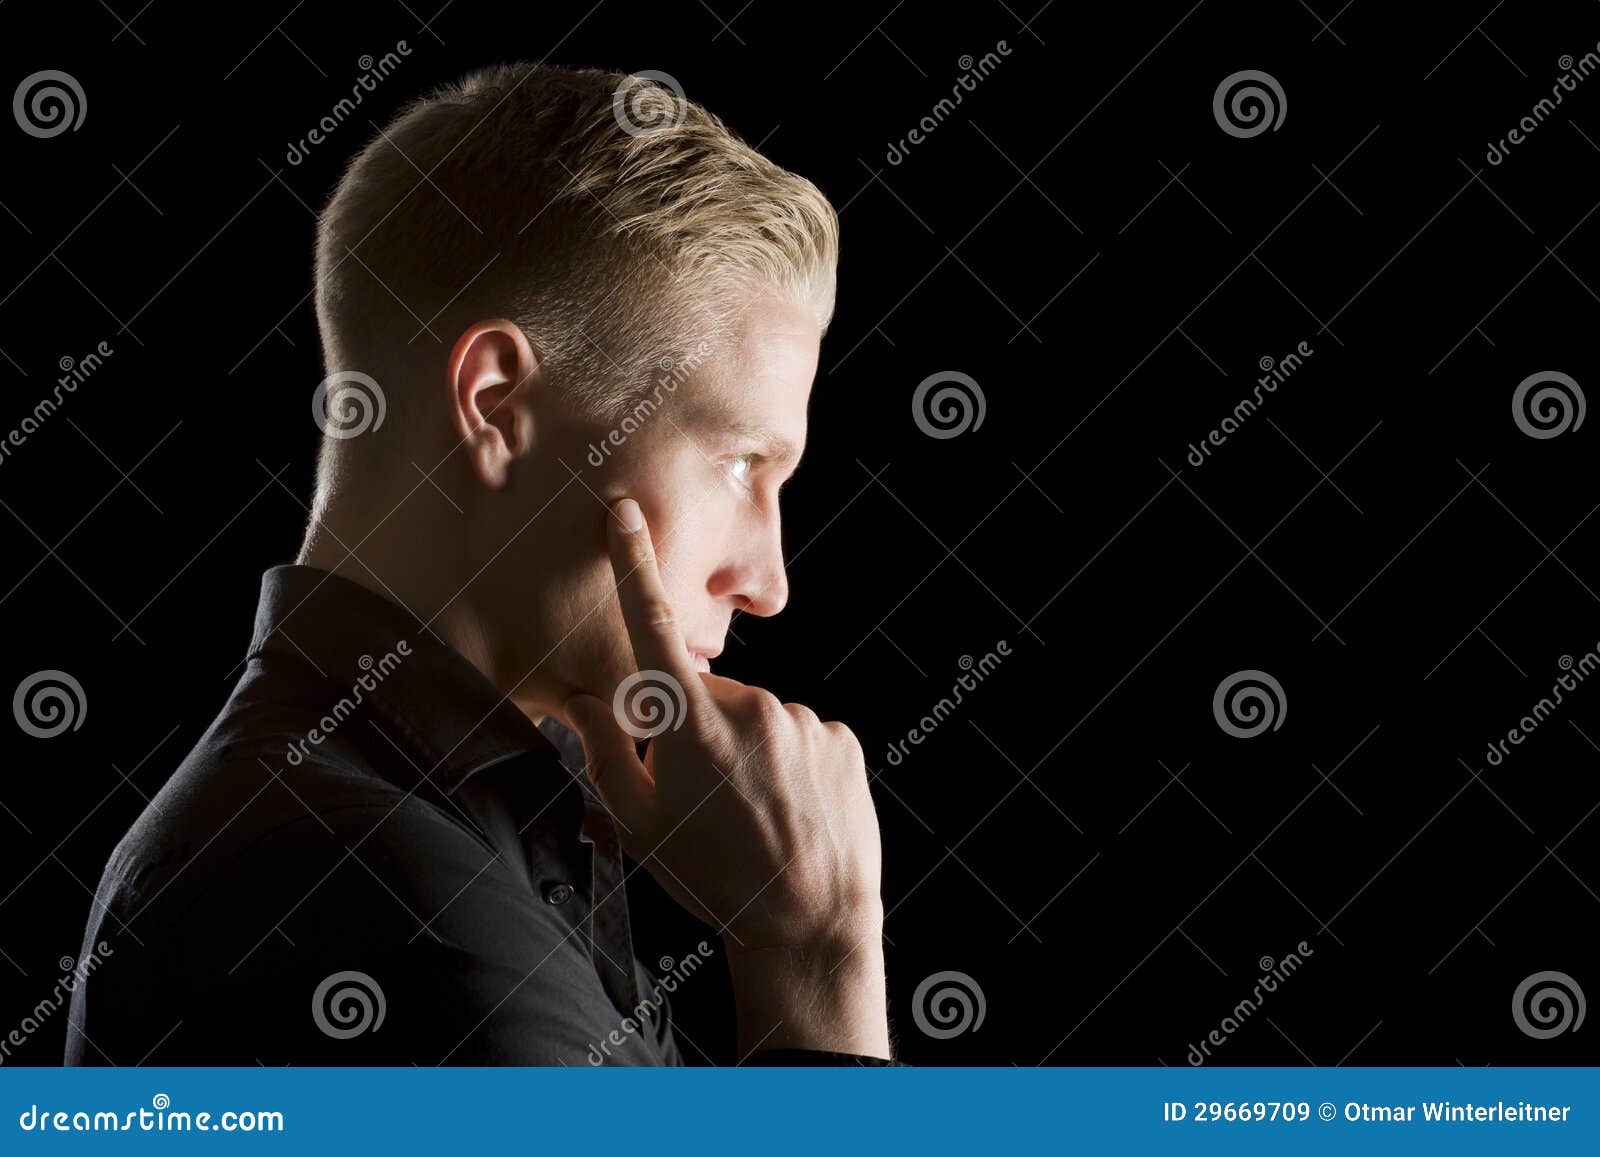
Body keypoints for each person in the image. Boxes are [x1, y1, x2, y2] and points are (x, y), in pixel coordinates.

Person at [65, 63, 896, 1065]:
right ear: (497, 406)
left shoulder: (456, 831)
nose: (767, 580)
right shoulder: (376, 895)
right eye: (735, 462)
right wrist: (813, 955)